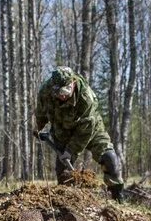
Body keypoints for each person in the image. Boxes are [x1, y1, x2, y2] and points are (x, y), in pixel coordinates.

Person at [34, 67, 124, 202]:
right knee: (65, 175)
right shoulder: (46, 92)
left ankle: (117, 198)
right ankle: (67, 205)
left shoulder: (86, 97)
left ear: (73, 83)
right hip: (62, 131)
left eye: (65, 92)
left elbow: (85, 130)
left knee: (109, 159)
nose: (61, 96)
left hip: (90, 129)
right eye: (58, 93)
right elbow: (41, 112)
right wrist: (38, 127)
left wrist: (70, 151)